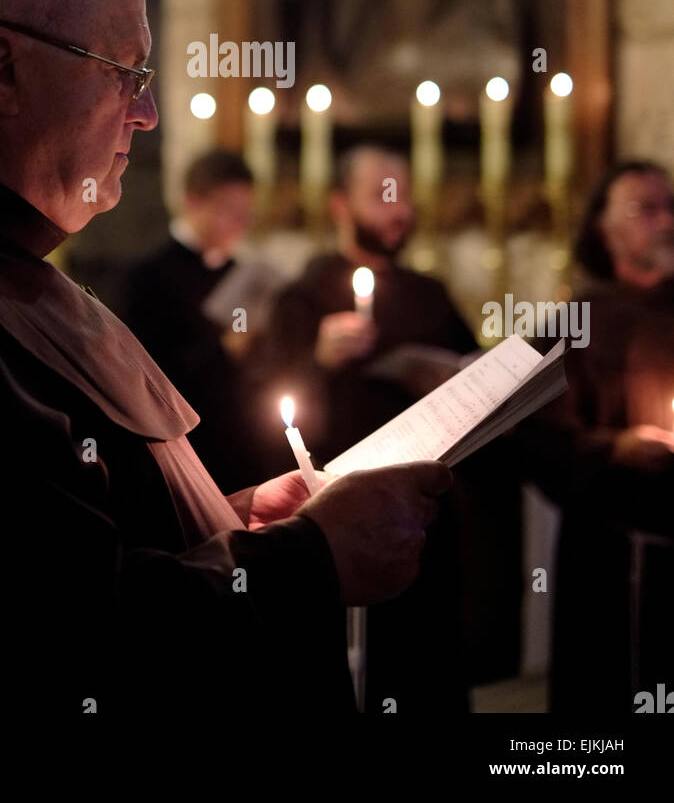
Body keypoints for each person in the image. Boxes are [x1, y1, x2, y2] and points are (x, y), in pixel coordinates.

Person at [0, 0, 454, 761]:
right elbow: (41, 662)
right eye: (127, 72)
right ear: (1, 68)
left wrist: (225, 523)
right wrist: (310, 563)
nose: (145, 114)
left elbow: (56, 549)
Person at [254, 144, 480, 715]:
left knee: (426, 675)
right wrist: (318, 360)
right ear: (339, 205)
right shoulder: (302, 298)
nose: (397, 208)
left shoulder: (430, 295)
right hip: (335, 517)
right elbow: (263, 409)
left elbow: (474, 379)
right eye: (382, 194)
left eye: (403, 193)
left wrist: (456, 377)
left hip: (427, 517)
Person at [518, 160, 674, 712]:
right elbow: (536, 434)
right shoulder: (573, 321)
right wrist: (615, 448)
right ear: (604, 230)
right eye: (644, 209)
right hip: (603, 546)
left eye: (668, 207)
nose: (664, 221)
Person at [122, 149, 264, 490]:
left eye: (247, 212)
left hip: (243, 443)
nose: (240, 223)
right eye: (231, 211)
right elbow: (146, 376)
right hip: (185, 449)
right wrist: (222, 349)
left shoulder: (241, 272)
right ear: (193, 201)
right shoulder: (149, 276)